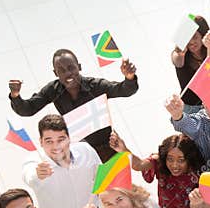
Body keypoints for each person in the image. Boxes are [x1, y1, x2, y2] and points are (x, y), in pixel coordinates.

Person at [8, 49, 138, 161]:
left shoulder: (96, 86)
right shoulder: (52, 90)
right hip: (80, 153)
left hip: (108, 148)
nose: (67, 73)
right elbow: (28, 109)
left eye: (71, 68)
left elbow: (124, 90)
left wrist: (129, 77)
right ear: (55, 73)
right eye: (61, 70)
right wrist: (15, 95)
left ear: (79, 67)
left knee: (117, 189)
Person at [172, 15, 210, 114]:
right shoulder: (180, 53)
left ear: (203, 36)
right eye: (188, 37)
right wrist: (180, 53)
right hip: (189, 107)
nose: (191, 42)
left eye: (195, 37)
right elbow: (177, 61)